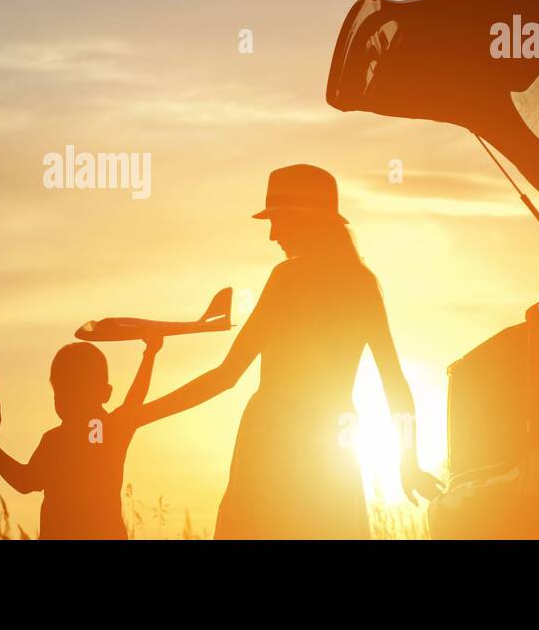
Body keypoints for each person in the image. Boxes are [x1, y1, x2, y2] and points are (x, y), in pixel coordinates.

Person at [139, 165, 443, 538]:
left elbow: (225, 376)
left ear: (306, 220)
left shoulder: (286, 279)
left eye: (278, 220)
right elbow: (396, 386)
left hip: (272, 443)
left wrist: (138, 416)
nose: (272, 235)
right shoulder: (362, 286)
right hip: (334, 445)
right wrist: (408, 462)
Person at [0, 338, 163, 539]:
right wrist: (150, 353)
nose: (66, 401)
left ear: (105, 393)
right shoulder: (97, 432)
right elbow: (26, 481)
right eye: (61, 394)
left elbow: (25, 481)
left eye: (76, 393)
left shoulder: (66, 438)